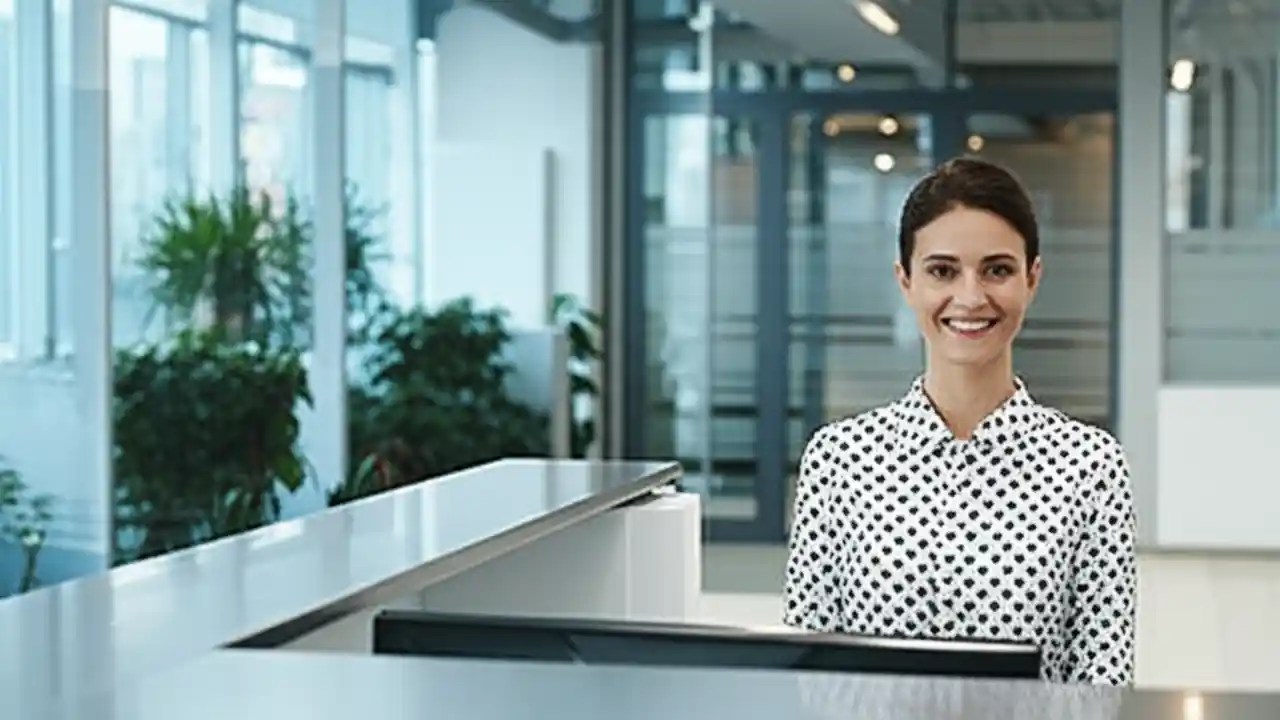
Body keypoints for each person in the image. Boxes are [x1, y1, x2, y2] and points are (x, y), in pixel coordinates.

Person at [782, 157, 1137, 686]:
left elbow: (1104, 684)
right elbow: (805, 676)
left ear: (1032, 278)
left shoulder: (1091, 467)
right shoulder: (838, 460)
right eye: (942, 271)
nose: (970, 298)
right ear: (905, 281)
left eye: (997, 269)